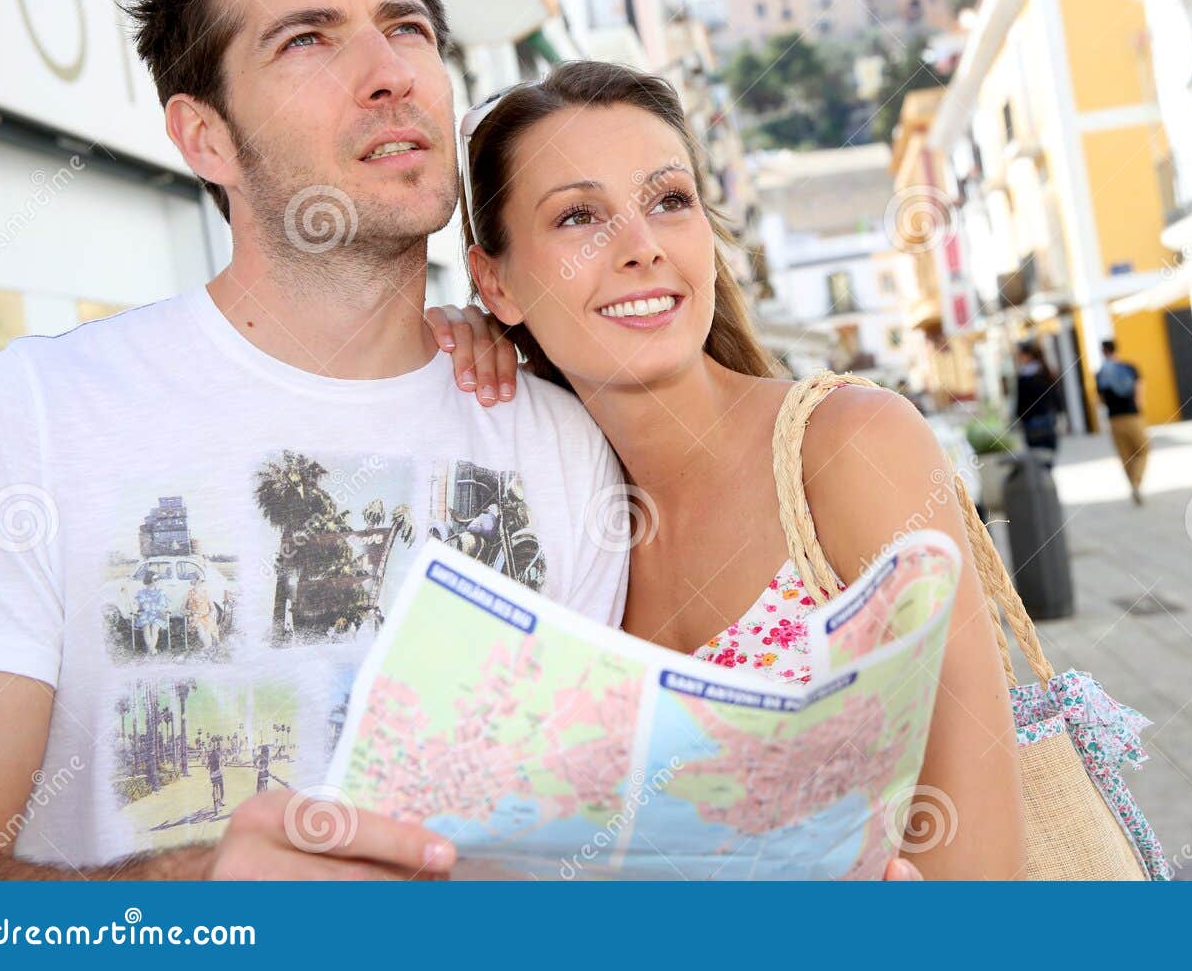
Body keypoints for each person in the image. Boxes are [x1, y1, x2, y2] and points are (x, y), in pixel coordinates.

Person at [0, 0, 626, 881]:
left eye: (405, 28)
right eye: (306, 41)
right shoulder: (26, 420)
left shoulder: (556, 443)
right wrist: (195, 893)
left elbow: (582, 856)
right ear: (207, 140)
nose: (389, 74)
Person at [427, 60, 1025, 878]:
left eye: (669, 200)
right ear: (494, 279)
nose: (641, 247)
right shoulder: (542, 511)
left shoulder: (847, 448)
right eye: (577, 216)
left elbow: (984, 867)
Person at [1096, 340, 1149, 505]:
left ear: (1102, 352)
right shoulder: (1129, 368)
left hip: (1114, 418)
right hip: (1132, 416)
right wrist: (1138, 410)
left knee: (1125, 455)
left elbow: (1101, 400)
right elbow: (1139, 392)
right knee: (1143, 450)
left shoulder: (1100, 374)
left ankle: (1133, 485)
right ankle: (1137, 482)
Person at [1012, 340, 1063, 459]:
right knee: (1048, 457)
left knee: (1037, 459)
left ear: (1028, 355)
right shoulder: (1047, 372)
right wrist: (1059, 414)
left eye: (1020, 355)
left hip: (1032, 422)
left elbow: (1021, 403)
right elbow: (1056, 396)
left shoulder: (1024, 376)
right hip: (1048, 420)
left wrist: (1019, 419)